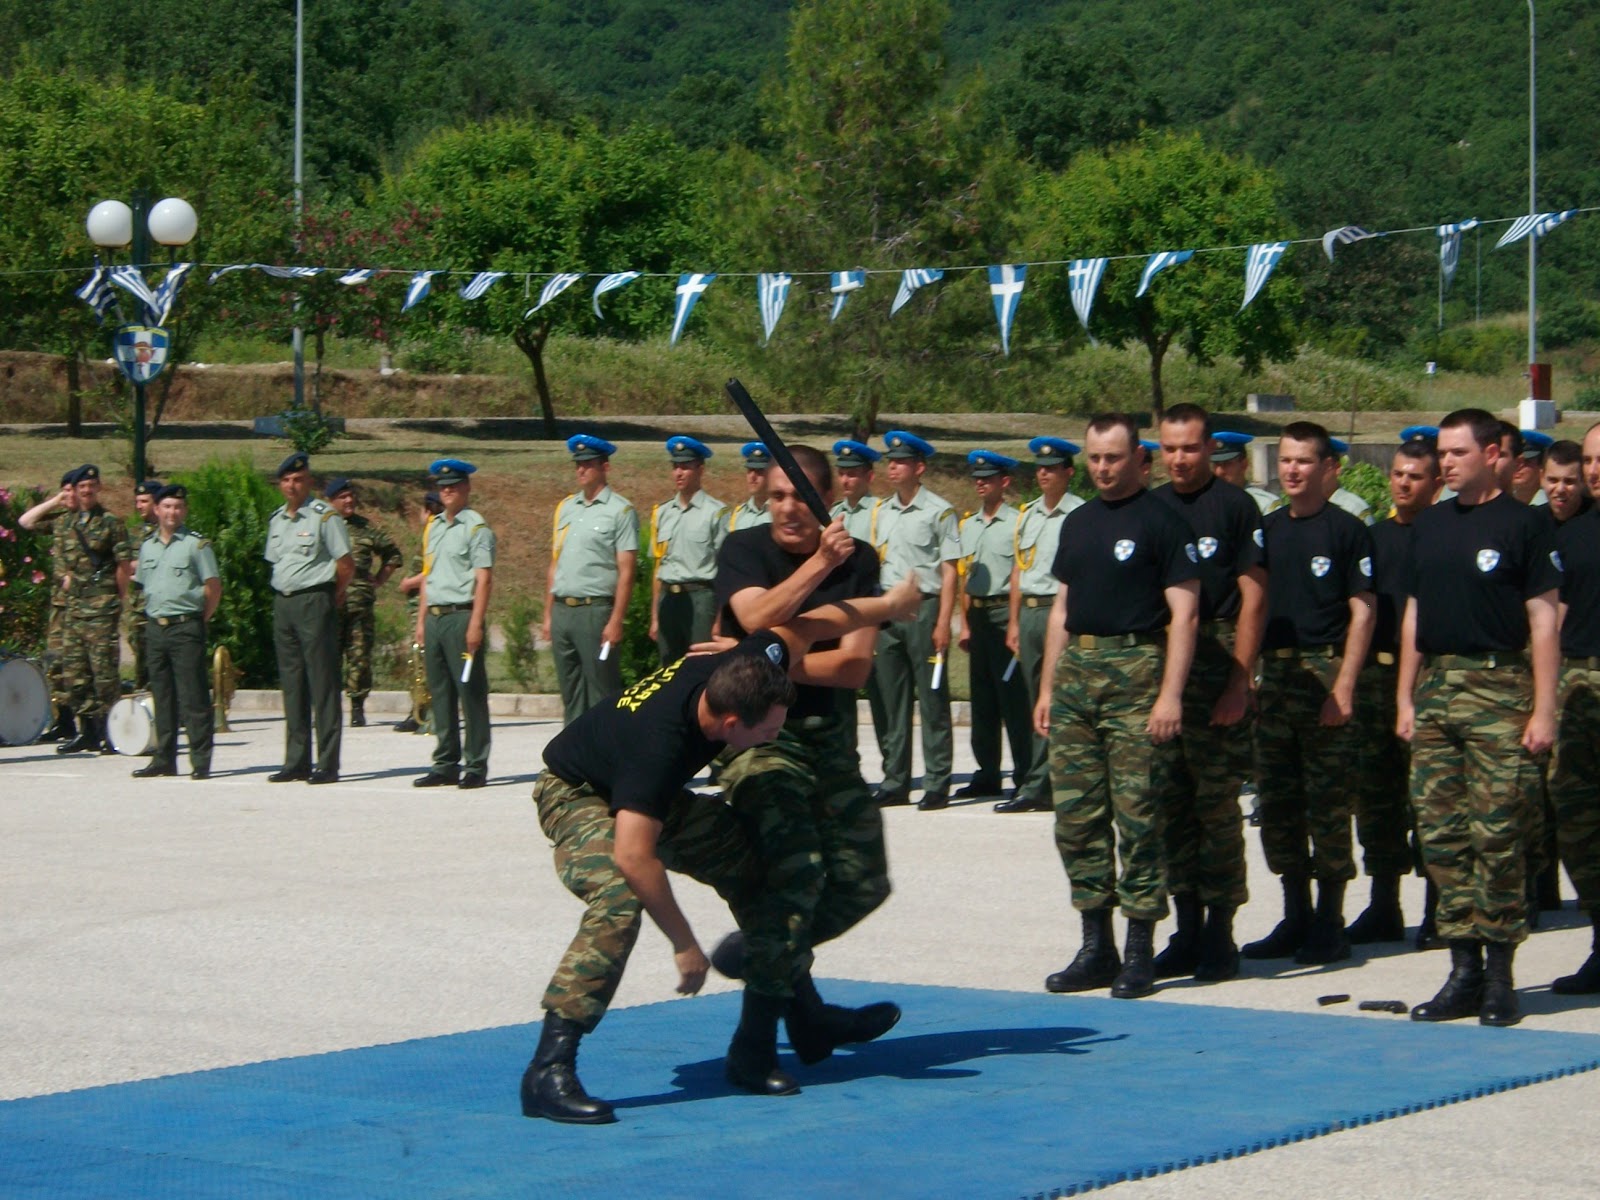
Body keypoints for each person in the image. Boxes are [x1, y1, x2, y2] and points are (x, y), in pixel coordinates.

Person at [523, 583, 918, 1124]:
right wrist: (686, 946)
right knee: (618, 898)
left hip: (638, 790)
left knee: (762, 870)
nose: (776, 737)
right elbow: (635, 857)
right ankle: (548, 1070)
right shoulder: (658, 748)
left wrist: (891, 607)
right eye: (770, 732)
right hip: (578, 792)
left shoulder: (747, 666)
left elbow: (809, 625)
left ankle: (800, 1015)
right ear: (732, 725)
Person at [709, 445, 903, 1079]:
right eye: (777, 496)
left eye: (803, 496)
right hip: (762, 742)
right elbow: (758, 616)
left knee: (863, 880)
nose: (789, 509)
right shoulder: (744, 550)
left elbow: (852, 666)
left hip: (828, 736)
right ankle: (754, 1047)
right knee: (797, 874)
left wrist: (754, 656)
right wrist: (819, 565)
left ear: (830, 502)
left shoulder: (861, 560)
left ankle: (772, 957)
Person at [1397, 408, 1561, 1027]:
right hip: (1438, 688)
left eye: (1457, 452)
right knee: (1441, 836)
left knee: (1498, 834)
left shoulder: (1526, 526)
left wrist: (1544, 709)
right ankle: (1461, 968)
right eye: (1442, 452)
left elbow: (1544, 621)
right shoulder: (1431, 524)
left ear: (1495, 454)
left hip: (1499, 689)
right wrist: (1405, 699)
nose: (1445, 462)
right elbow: (1413, 613)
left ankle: (1499, 974)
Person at [1035, 413, 1201, 1000]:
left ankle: (1138, 949)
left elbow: (1185, 615)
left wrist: (1170, 694)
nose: (1102, 468)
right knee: (1077, 820)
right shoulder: (1077, 523)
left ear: (1139, 460)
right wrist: (1049, 686)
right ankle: (1095, 945)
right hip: (1078, 673)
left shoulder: (1164, 522)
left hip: (1137, 674)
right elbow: (1061, 608)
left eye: (1113, 458)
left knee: (1139, 815)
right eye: (1095, 459)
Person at [1245, 422, 1375, 966]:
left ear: (1328, 469)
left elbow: (1363, 610)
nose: (1292, 470)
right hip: (1275, 678)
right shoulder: (1266, 530)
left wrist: (1343, 686)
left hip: (1323, 672)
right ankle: (1294, 912)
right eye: (1287, 461)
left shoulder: (1347, 530)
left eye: (1304, 461)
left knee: (1327, 803)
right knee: (1278, 803)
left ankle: (1330, 918)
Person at [1148, 404, 1267, 983]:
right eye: (1169, 448)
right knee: (1171, 808)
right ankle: (1186, 927)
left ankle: (1221, 932)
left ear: (1209, 447)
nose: (1179, 459)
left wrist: (1239, 683)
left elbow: (1254, 599)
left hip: (1217, 660)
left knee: (1216, 808)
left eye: (1190, 448)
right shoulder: (1150, 509)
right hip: (1163, 670)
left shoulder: (1236, 508)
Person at [1350, 437, 1443, 949]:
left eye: (1415, 476)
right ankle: (1383, 904)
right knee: (1376, 795)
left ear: (1436, 484)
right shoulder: (1372, 537)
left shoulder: (1441, 534)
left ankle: (1437, 906)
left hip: (1429, 680)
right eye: (1398, 474)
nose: (1403, 483)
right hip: (1375, 677)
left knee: (1429, 797)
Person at [867, 429, 959, 809]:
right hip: (889, 612)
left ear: (919, 467)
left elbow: (951, 571)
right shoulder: (880, 511)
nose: (893, 467)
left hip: (925, 610)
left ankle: (937, 780)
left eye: (901, 461)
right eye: (890, 461)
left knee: (932, 698)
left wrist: (943, 623)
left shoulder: (940, 511)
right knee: (892, 699)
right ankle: (895, 778)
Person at [1001, 437, 1084, 814]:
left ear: (1069, 472)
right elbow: (1020, 570)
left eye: (1052, 468)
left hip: (1062, 612)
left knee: (1060, 697)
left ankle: (1047, 781)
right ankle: (1035, 778)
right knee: (1032, 698)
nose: (1044, 474)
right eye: (1039, 468)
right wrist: (1014, 621)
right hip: (1031, 612)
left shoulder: (1080, 515)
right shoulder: (1028, 514)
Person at [1548, 421, 1600, 994]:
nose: (1591, 471)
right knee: (1578, 817)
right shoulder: (1569, 534)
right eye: (1588, 459)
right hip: (1576, 683)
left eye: (1598, 460)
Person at [264, 452, 353, 784]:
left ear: (309, 482)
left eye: (297, 479)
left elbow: (345, 564)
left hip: (315, 600)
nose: (291, 485)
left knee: (322, 684)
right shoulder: (277, 520)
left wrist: (333, 596)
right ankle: (296, 760)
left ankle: (327, 763)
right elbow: (276, 562)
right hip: (284, 603)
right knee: (293, 684)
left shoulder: (324, 517)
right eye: (286, 480)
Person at [542, 434, 637, 724]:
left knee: (601, 691)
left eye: (588, 464)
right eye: (578, 464)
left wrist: (616, 620)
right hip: (563, 609)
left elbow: (627, 570)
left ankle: (606, 761)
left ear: (604, 467)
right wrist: (547, 614)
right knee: (570, 692)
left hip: (595, 611)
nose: (581, 469)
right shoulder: (566, 508)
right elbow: (555, 563)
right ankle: (572, 759)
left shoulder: (620, 511)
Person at [413, 459, 495, 790]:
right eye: (442, 486)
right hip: (434, 616)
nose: (447, 490)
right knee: (440, 692)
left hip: (462, 615)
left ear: (466, 488)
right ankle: (445, 761)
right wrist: (421, 621)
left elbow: (484, 579)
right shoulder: (433, 527)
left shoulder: (477, 528)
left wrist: (475, 624)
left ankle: (475, 763)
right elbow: (428, 577)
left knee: (470, 693)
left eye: (454, 485)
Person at [956, 450, 1033, 801]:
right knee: (982, 699)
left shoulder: (1017, 523)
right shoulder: (967, 525)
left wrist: (1015, 623)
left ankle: (1024, 774)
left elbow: (1019, 574)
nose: (980, 482)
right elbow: (963, 575)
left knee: (1014, 700)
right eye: (977, 477)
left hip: (1005, 614)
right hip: (978, 616)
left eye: (988, 477)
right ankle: (987, 773)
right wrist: (966, 623)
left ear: (1005, 482)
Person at [130, 484, 221, 780]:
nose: (172, 512)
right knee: (163, 695)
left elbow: (213, 588)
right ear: (157, 510)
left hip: (186, 626)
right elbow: (144, 584)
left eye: (178, 507)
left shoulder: (196, 545)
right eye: (167, 506)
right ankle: (164, 758)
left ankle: (200, 760)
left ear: (185, 511)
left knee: (193, 696)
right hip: (156, 627)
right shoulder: (148, 546)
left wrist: (199, 619)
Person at [54, 465, 135, 754]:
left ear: (98, 488)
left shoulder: (111, 522)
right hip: (74, 609)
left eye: (91, 485)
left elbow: (124, 566)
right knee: (75, 673)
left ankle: (111, 731)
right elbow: (61, 564)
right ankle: (87, 731)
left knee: (104, 674)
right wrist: (66, 579)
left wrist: (119, 602)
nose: (87, 490)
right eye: (82, 486)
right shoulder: (65, 524)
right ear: (74, 491)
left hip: (102, 608)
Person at [326, 479, 402, 728]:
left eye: (351, 496)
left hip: (360, 604)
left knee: (360, 656)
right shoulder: (322, 526)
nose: (349, 501)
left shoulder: (365, 528)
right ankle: (327, 708)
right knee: (327, 657)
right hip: (328, 604)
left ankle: (357, 705)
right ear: (331, 500)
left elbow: (393, 553)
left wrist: (380, 578)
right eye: (342, 497)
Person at [648, 436, 727, 664]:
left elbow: (724, 571)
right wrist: (654, 616)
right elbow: (658, 567)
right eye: (675, 467)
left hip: (701, 598)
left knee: (699, 665)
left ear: (700, 469)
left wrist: (719, 619)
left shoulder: (716, 513)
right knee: (668, 668)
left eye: (685, 467)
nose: (679, 473)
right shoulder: (662, 512)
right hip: (668, 599)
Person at [18, 469, 83, 743]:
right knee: (55, 663)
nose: (69, 495)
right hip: (60, 604)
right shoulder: (60, 522)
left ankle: (94, 724)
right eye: (65, 490)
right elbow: (26, 521)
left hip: (87, 605)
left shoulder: (96, 522)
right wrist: (56, 500)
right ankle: (65, 722)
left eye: (73, 491)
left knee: (86, 666)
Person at [395, 492, 445, 734]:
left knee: (423, 662)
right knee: (420, 662)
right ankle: (420, 710)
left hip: (425, 607)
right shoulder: (434, 532)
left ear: (427, 511)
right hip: (420, 605)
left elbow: (431, 571)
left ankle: (424, 713)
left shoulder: (435, 532)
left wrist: (409, 583)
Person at [126, 479, 161, 690]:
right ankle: (143, 696)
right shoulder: (134, 533)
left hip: (162, 603)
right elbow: (124, 564)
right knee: (140, 652)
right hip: (139, 604)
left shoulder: (169, 531)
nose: (139, 506)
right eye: (137, 501)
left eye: (144, 501)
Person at [1211, 431, 1277, 514]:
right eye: (1216, 464)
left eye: (1227, 464)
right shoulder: (1204, 503)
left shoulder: (1264, 504)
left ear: (1244, 464)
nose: (1219, 472)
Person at [829, 439, 880, 542]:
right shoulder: (833, 513)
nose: (844, 481)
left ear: (869, 477)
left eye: (851, 474)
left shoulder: (881, 513)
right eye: (841, 474)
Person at [1540, 439, 1590, 525]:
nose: (1560, 489)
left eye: (1569, 481)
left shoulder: (1595, 523)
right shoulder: (1532, 522)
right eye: (1553, 480)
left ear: (1583, 481)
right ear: (1542, 478)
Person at [728, 442, 773, 531]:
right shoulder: (738, 514)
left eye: (759, 471)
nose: (752, 476)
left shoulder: (780, 513)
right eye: (750, 470)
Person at [1511, 428, 1553, 505]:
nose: (1518, 466)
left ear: (1542, 465)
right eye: (1515, 461)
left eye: (1527, 461)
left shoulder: (1550, 505)